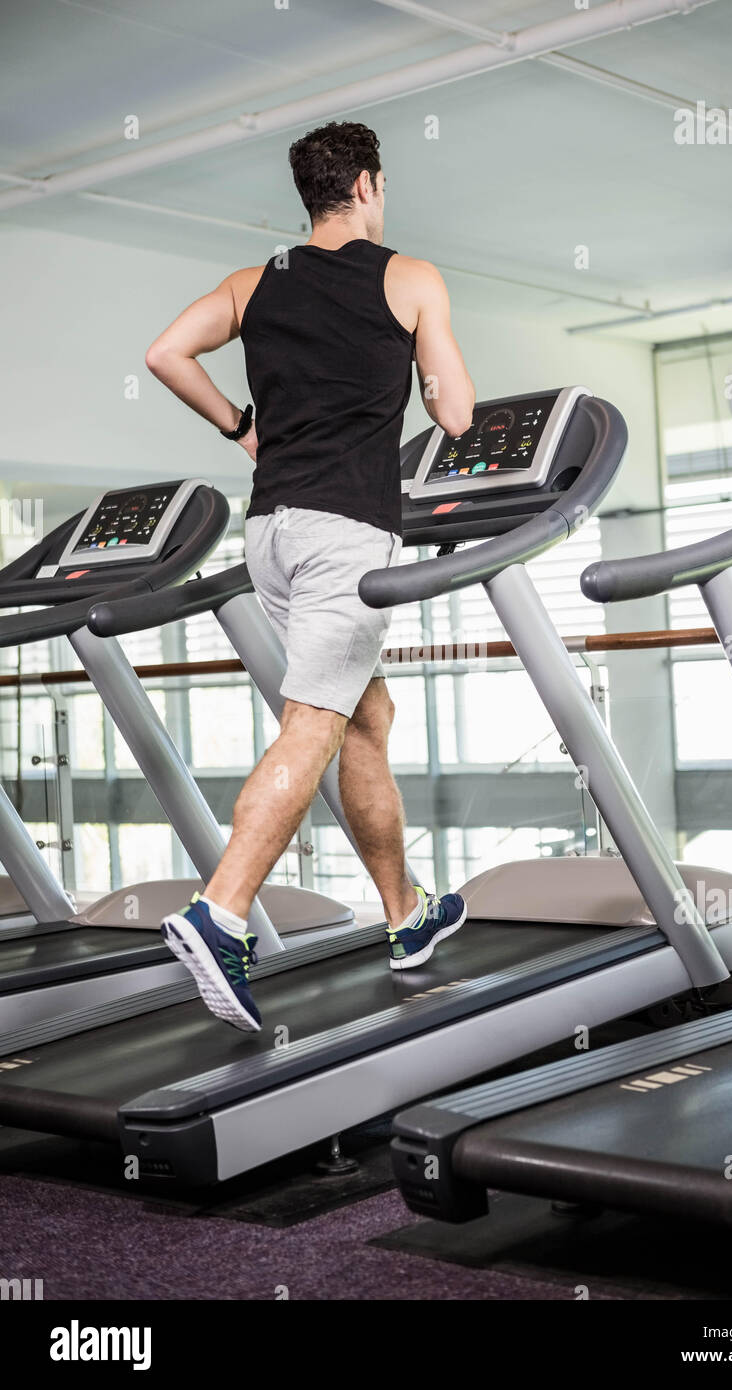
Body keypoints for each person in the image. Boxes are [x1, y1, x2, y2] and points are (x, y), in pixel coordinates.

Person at [144, 121, 475, 1032]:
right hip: (348, 535)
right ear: (367, 184)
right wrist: (430, 366)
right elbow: (455, 414)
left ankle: (405, 917)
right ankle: (221, 913)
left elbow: (165, 353)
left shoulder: (256, 283)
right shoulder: (409, 276)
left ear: (311, 194)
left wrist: (240, 427)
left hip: (273, 530)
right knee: (314, 725)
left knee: (366, 717)